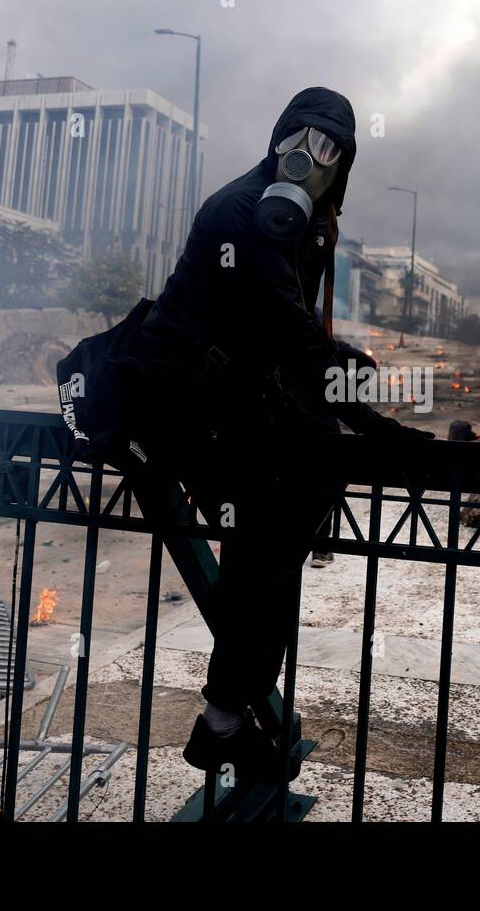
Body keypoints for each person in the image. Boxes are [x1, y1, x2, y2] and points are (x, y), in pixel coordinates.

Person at [127, 87, 432, 782]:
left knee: (289, 512)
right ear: (276, 136)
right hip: (183, 409)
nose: (308, 156)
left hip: (230, 397)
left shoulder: (301, 223)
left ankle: (227, 715)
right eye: (298, 137)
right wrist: (373, 423)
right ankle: (224, 718)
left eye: (328, 149)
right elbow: (289, 337)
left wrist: (345, 383)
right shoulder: (243, 214)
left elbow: (289, 330)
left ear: (342, 166)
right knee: (267, 537)